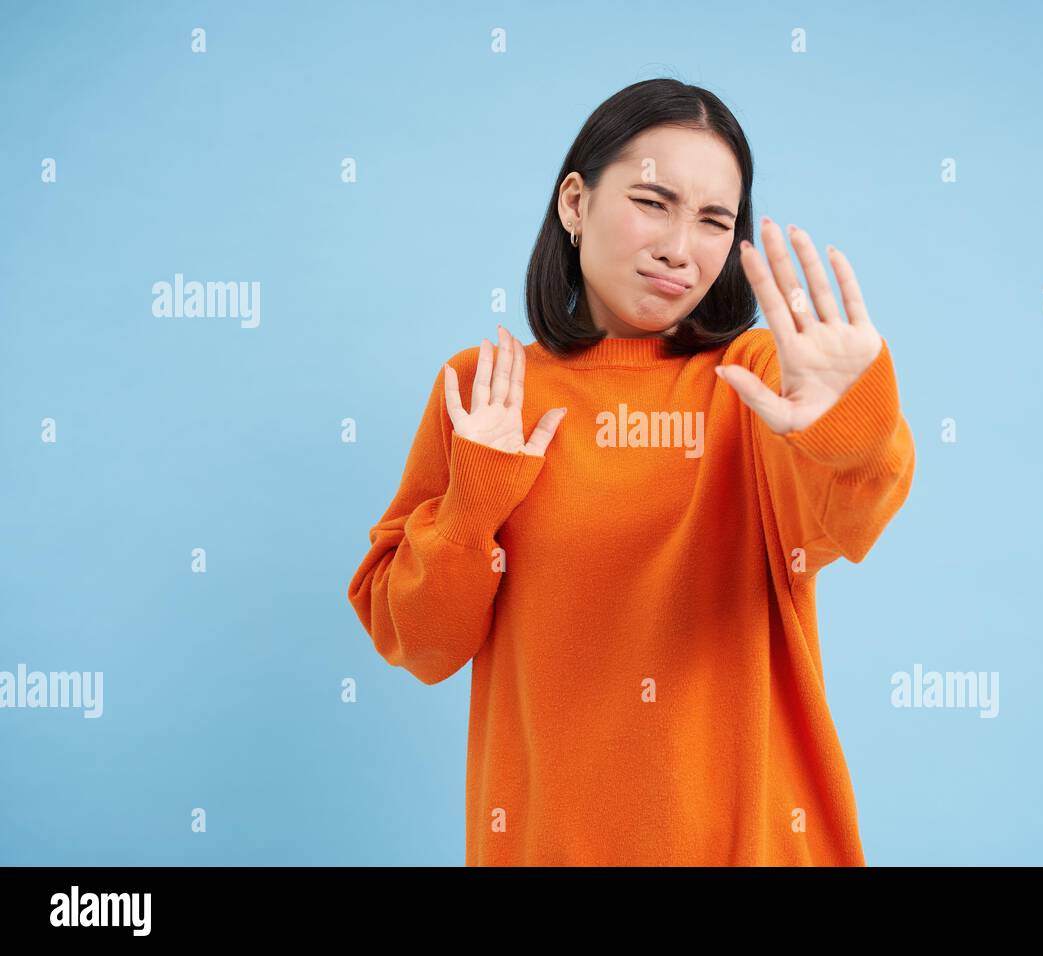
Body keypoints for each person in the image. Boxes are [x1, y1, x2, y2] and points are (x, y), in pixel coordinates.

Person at [346, 78, 915, 866]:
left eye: (715, 220)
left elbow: (852, 515)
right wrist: (476, 505)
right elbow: (420, 644)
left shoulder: (753, 379)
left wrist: (843, 427)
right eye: (654, 202)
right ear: (574, 203)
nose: (682, 247)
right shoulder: (485, 391)